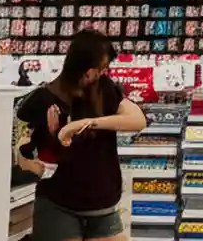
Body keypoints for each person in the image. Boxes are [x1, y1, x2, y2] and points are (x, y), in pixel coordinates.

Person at [16, 30, 146, 241]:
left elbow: (137, 119)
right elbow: (29, 159)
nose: (105, 72)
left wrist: (89, 122)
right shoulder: (42, 100)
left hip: (103, 204)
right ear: (85, 70)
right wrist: (53, 137)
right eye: (102, 68)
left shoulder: (104, 89)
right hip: (59, 203)